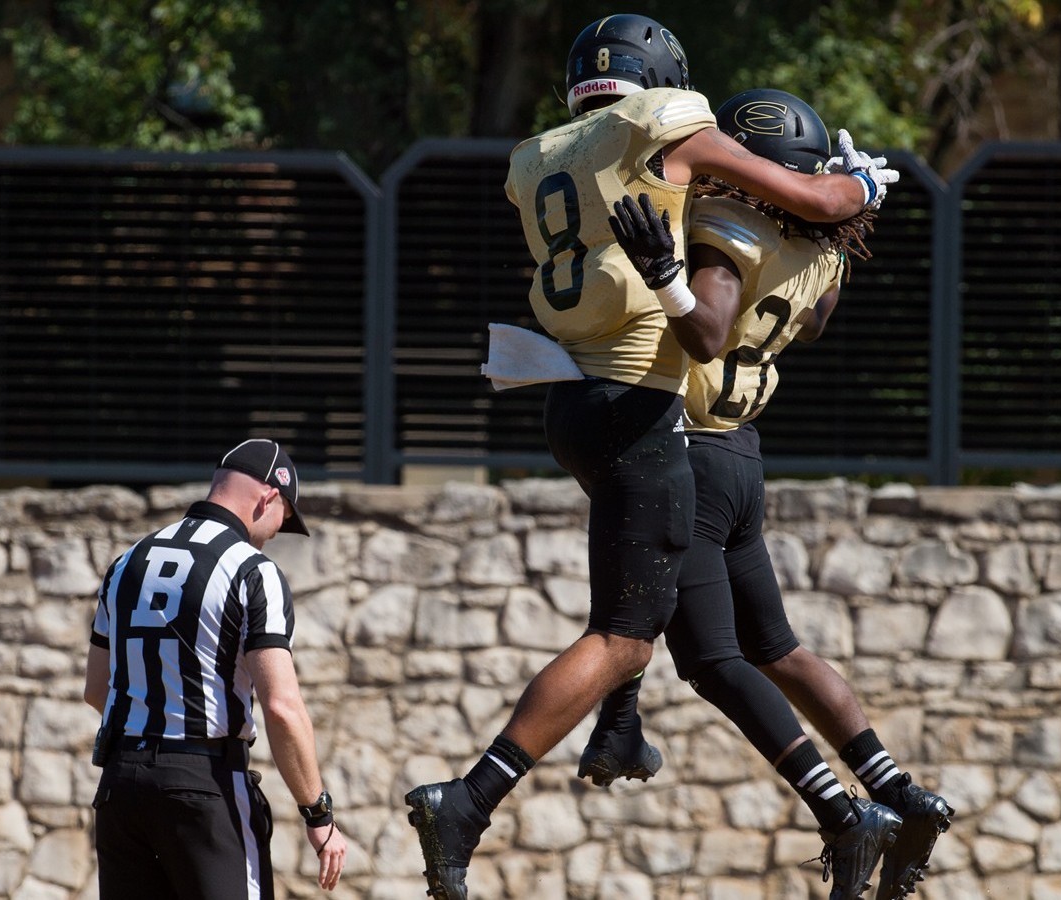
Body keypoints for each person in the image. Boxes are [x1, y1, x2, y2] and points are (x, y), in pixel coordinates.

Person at [405, 14, 901, 900]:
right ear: (663, 75)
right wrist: (856, 188)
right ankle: (470, 800)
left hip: (571, 392)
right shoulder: (662, 120)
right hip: (643, 400)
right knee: (627, 635)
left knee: (652, 600)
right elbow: (812, 205)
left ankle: (630, 736)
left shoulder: (534, 156)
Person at [587, 89, 952, 900]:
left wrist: (667, 279)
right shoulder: (821, 249)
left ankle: (840, 810)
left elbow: (708, 327)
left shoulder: (729, 231)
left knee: (714, 660)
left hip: (698, 452)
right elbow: (814, 322)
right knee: (779, 647)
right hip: (746, 455)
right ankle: (900, 793)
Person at [83, 439, 347, 899]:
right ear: (268, 496)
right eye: (280, 521)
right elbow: (282, 707)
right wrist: (318, 815)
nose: (268, 537)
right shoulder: (252, 570)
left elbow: (96, 688)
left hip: (121, 786)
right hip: (204, 787)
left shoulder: (127, 563)